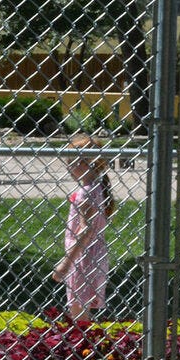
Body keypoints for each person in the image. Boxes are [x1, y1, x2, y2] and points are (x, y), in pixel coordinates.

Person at [51, 133, 116, 321]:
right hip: (95, 253)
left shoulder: (85, 194)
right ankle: (85, 342)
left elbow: (85, 230)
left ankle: (81, 344)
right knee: (82, 310)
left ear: (87, 163)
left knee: (78, 312)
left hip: (83, 257)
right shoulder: (98, 188)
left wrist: (66, 263)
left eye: (72, 161)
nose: (68, 166)